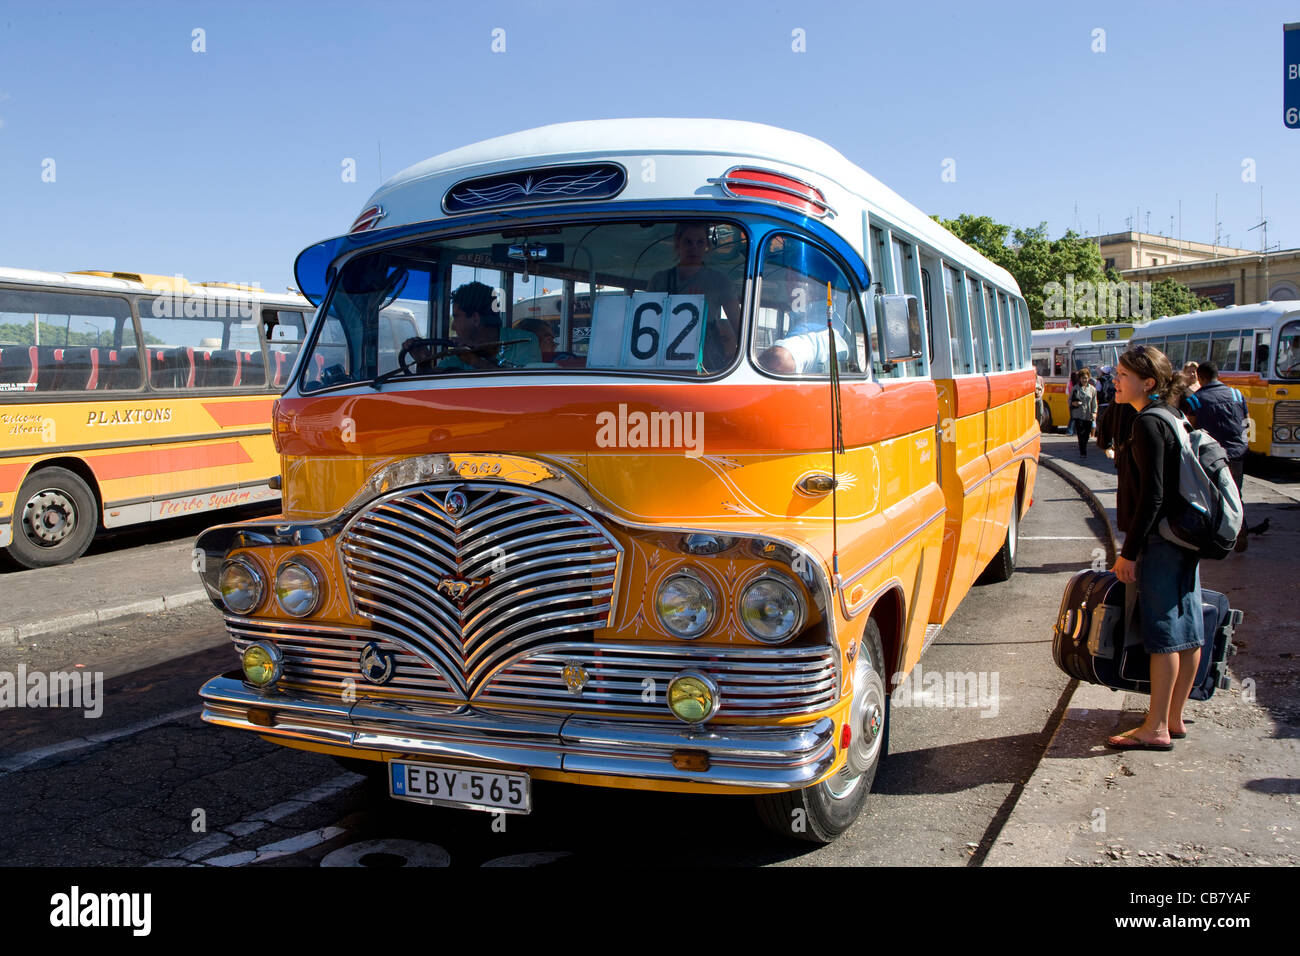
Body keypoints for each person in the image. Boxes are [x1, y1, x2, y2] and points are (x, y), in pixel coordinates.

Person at [1107, 344, 1203, 751]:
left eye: (1123, 375)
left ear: (1147, 382)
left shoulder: (1147, 423)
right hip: (1186, 535)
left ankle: (1156, 726)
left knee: (1162, 635)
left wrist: (1129, 552)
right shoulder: (1173, 415)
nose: (1115, 379)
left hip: (1160, 541)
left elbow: (1152, 497)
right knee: (1189, 630)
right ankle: (1174, 717)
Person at [647, 222, 741, 370]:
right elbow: (648, 322)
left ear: (707, 245)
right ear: (678, 243)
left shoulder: (719, 281)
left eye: (700, 242)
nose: (694, 248)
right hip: (661, 358)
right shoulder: (659, 280)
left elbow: (738, 324)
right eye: (688, 241)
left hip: (704, 361)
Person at [1183, 360, 1250, 551]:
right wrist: (1244, 444)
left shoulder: (1195, 400)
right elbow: (1246, 421)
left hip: (1211, 456)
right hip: (1237, 452)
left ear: (1201, 378)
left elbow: (1191, 428)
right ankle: (1240, 528)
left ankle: (1220, 537)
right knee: (1235, 492)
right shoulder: (1236, 394)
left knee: (1212, 497)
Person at [1069, 367, 1098, 457]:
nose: (1084, 380)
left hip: (1088, 415)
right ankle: (1083, 451)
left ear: (1088, 378)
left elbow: (1094, 402)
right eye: (1082, 378)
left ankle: (1083, 446)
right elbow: (1069, 400)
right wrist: (1074, 403)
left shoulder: (1092, 389)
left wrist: (1094, 412)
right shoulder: (1075, 388)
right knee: (1080, 434)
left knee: (1087, 434)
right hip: (1078, 414)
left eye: (1086, 378)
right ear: (1080, 379)